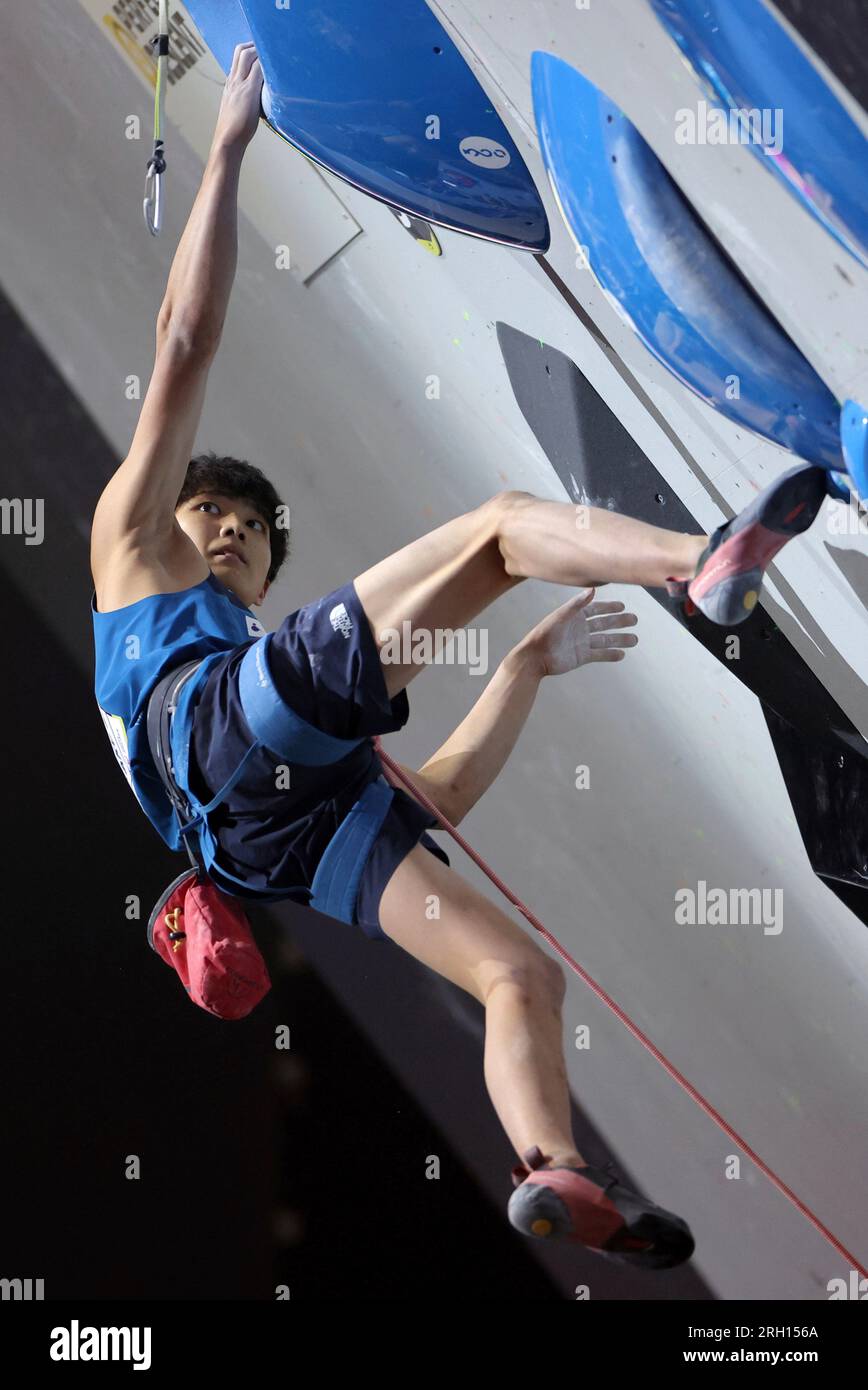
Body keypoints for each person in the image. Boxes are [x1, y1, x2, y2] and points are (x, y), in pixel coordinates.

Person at [89, 43, 825, 1269]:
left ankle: (554, 1170)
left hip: (270, 829)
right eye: (210, 512)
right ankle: (698, 564)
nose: (224, 530)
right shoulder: (132, 554)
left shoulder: (252, 700)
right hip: (236, 738)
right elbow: (180, 345)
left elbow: (434, 796)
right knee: (491, 524)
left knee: (512, 972)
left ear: (272, 581)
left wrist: (521, 673)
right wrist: (222, 153)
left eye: (252, 535)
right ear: (170, 515)